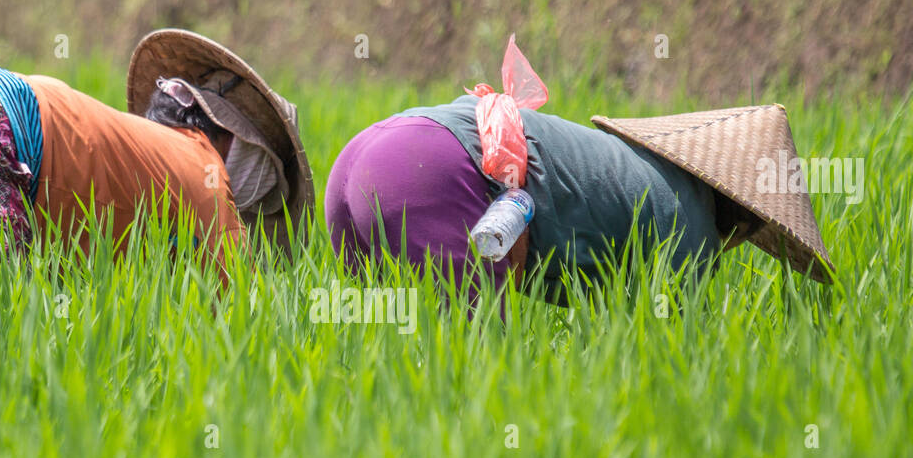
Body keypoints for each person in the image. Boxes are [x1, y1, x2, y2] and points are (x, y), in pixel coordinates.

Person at [324, 63, 833, 301]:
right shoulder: (693, 229)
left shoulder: (638, 167)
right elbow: (655, 356)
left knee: (383, 345)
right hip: (423, 176)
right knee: (477, 366)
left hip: (367, 154)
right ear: (744, 220)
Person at [0, 30, 313, 282]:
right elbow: (238, 319)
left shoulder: (138, 160)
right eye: (264, 180)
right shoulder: (202, 172)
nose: (252, 199)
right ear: (234, 140)